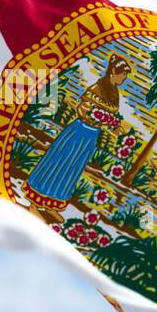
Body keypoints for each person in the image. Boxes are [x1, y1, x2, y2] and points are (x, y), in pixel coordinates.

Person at [25, 54, 131, 209]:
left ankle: (54, 203)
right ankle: (35, 203)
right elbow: (82, 109)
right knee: (60, 161)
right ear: (114, 71)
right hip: (79, 131)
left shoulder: (115, 94)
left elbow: (111, 118)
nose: (124, 78)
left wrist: (116, 129)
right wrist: (98, 118)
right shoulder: (97, 87)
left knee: (73, 168)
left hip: (91, 136)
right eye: (123, 74)